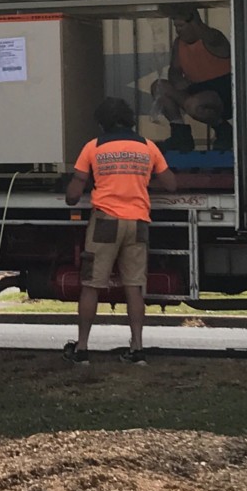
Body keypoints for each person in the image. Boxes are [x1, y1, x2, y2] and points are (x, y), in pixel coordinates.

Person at [63, 96, 177, 365]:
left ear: (102, 124)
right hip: (138, 222)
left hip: (105, 222)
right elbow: (171, 184)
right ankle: (137, 349)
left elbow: (73, 194)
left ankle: (82, 350)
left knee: (91, 286)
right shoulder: (148, 147)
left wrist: (75, 188)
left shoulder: (93, 147)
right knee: (134, 287)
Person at [151, 6, 233, 153]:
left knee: (193, 104)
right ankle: (180, 133)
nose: (178, 30)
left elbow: (208, 34)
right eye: (176, 26)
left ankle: (223, 129)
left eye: (181, 26)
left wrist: (194, 19)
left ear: (194, 23)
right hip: (197, 89)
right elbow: (175, 71)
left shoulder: (212, 38)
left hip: (222, 92)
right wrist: (177, 81)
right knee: (159, 87)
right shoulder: (179, 43)